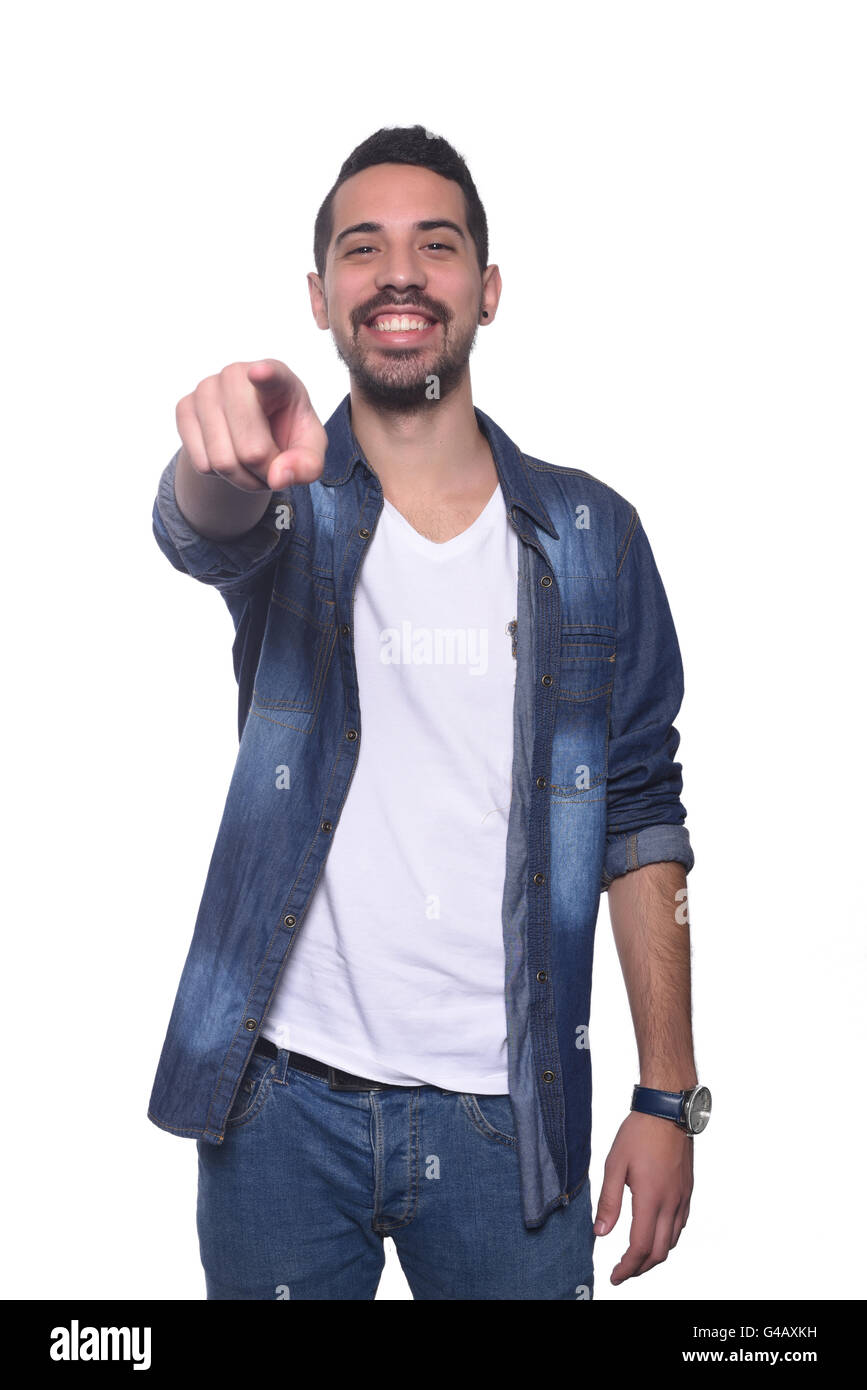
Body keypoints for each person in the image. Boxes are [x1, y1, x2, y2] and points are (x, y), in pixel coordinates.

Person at [148, 124, 706, 1301]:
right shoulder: (288, 505)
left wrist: (668, 1094)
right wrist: (219, 446)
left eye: (435, 245)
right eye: (364, 248)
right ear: (321, 296)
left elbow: (643, 813)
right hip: (281, 1113)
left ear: (487, 291)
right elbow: (206, 522)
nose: (399, 272)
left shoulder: (594, 538)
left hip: (514, 1120)